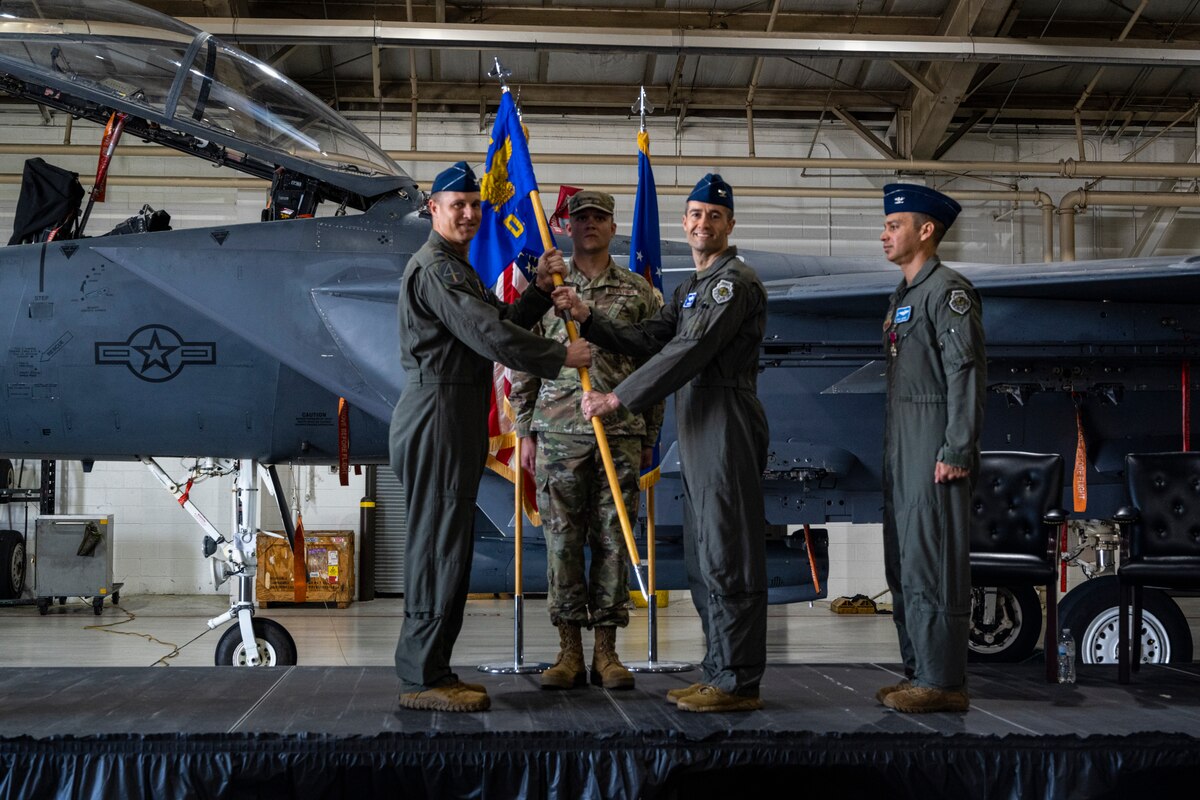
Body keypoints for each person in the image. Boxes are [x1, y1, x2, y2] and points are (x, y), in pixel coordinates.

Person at [555, 174, 770, 713]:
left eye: (714, 216)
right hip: (696, 418)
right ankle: (719, 670)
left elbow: (688, 351)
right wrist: (589, 320)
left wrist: (616, 399)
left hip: (726, 416)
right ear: (685, 223)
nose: (703, 223)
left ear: (729, 224)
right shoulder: (689, 288)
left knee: (729, 550)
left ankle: (738, 679)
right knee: (705, 553)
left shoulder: (732, 284)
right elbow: (648, 339)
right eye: (695, 214)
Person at [390, 161, 592, 712]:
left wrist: (538, 290)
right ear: (433, 209)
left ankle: (432, 668)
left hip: (450, 411)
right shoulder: (436, 267)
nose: (470, 213)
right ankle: (420, 677)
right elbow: (487, 333)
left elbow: (498, 316)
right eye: (458, 204)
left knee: (446, 546)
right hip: (437, 413)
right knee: (437, 548)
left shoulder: (455, 266)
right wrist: (560, 356)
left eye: (476, 204)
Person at [510, 190, 664, 691]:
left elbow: (653, 368)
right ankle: (568, 652)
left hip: (618, 433)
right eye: (581, 219)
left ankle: (607, 653)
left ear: (613, 227)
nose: (590, 226)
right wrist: (525, 428)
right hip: (558, 433)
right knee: (562, 544)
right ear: (567, 228)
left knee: (614, 541)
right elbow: (526, 357)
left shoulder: (638, 291)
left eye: (599, 218)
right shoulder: (549, 287)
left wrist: (649, 436)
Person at [874, 183, 986, 714]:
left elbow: (965, 373)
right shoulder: (904, 296)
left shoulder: (949, 292)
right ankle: (920, 671)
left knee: (934, 560)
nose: (884, 233)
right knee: (905, 561)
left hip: (935, 447)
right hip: (903, 446)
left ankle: (944, 681)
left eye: (894, 225)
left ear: (925, 231)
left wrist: (957, 448)